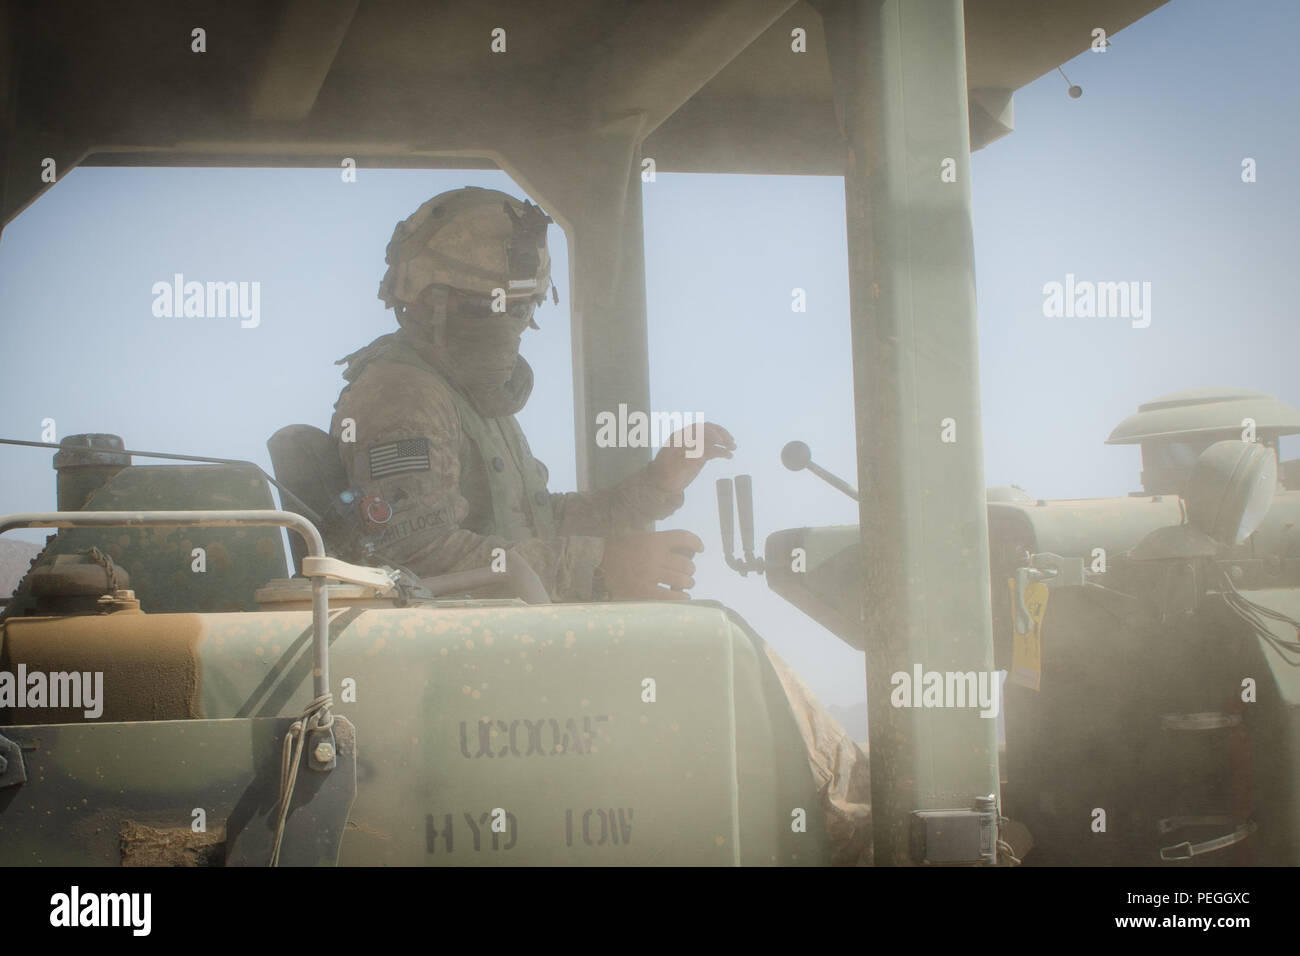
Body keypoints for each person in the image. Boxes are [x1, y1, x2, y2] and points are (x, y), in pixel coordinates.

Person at [329, 186, 734, 600]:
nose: (509, 325)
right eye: (488, 307)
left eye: (523, 309)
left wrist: (657, 485)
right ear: (429, 301)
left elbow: (539, 518)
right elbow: (418, 554)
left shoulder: (468, 391)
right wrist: (598, 567)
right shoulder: (405, 397)